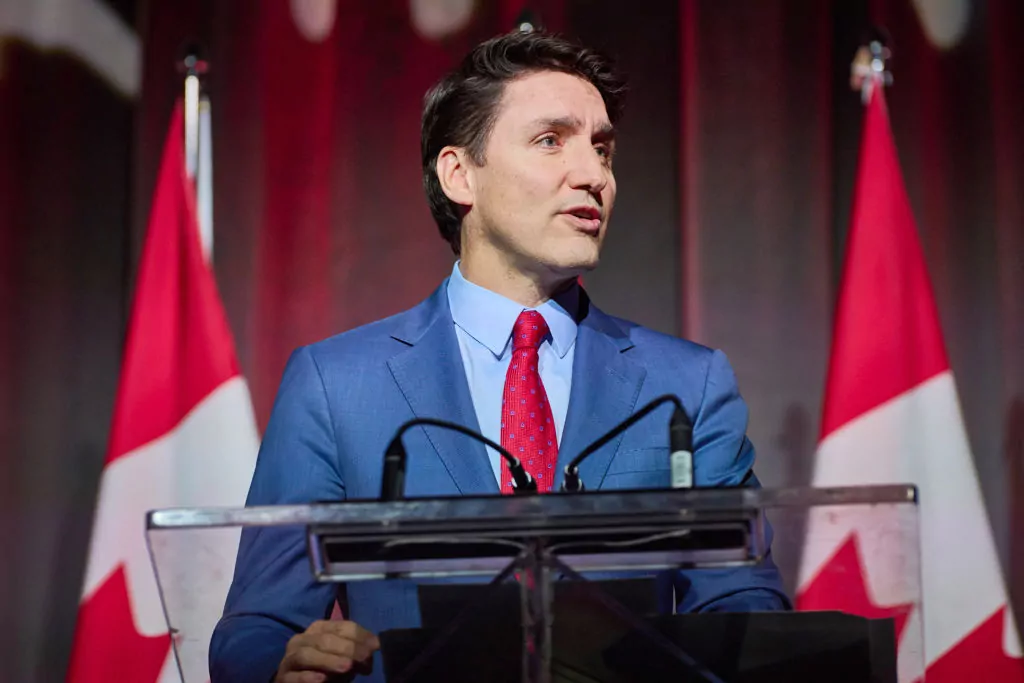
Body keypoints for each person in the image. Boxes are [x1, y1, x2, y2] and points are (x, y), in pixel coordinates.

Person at [210, 29, 790, 683]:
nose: (595, 174)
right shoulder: (336, 384)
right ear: (460, 175)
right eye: (552, 140)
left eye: (602, 148)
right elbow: (256, 630)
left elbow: (742, 608)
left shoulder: (688, 384)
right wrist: (285, 663)